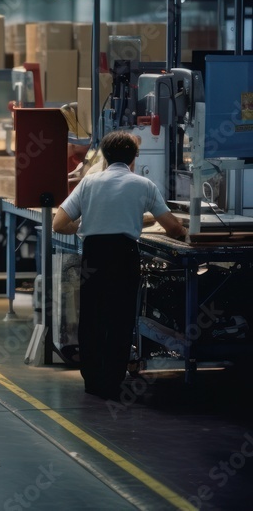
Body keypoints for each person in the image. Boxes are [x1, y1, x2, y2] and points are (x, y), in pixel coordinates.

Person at [52, 130, 186, 399]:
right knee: (120, 318)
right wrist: (184, 230)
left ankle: (92, 380)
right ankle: (113, 381)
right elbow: (172, 227)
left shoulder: (89, 183)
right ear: (134, 157)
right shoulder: (143, 185)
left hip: (94, 255)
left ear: (104, 155)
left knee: (92, 316)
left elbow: (58, 223)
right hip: (124, 255)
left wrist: (85, 225)